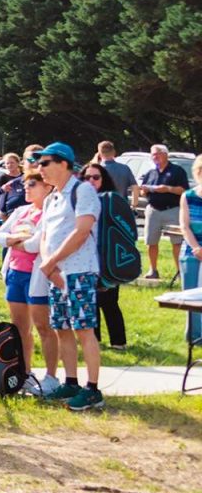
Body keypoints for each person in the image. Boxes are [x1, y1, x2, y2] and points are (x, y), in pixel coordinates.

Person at [33, 142, 105, 410]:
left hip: (79, 271)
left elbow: (82, 231)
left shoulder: (82, 190)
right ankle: (71, 381)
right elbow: (44, 235)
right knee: (62, 328)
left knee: (83, 329)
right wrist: (50, 267)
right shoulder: (51, 197)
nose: (40, 168)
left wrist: (51, 262)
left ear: (64, 163)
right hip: (56, 274)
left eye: (45, 162)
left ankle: (93, 389)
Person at [0, 166, 57, 381]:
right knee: (20, 328)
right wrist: (13, 240)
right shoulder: (21, 211)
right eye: (24, 184)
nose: (26, 188)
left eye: (32, 184)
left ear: (47, 187)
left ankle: (51, 377)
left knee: (43, 326)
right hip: (15, 273)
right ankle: (25, 372)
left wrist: (14, 242)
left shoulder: (49, 213)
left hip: (37, 276)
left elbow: (34, 245)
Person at [83, 161, 129, 349]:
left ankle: (118, 341)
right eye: (87, 177)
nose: (91, 181)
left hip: (108, 258)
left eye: (96, 177)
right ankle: (95, 340)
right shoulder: (79, 201)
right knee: (90, 300)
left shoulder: (112, 201)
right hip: (85, 258)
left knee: (109, 301)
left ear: (104, 179)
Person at [138, 143, 187, 280]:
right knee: (151, 242)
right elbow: (142, 191)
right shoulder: (150, 172)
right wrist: (144, 191)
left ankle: (180, 272)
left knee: (177, 242)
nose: (154, 157)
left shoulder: (177, 171)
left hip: (172, 210)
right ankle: (153, 270)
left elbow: (184, 190)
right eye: (152, 154)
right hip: (153, 210)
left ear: (165, 154)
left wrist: (168, 189)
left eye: (157, 153)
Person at [179, 158, 202, 349]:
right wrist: (196, 248)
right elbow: (184, 226)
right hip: (191, 251)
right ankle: (194, 337)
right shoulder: (187, 196)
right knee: (191, 296)